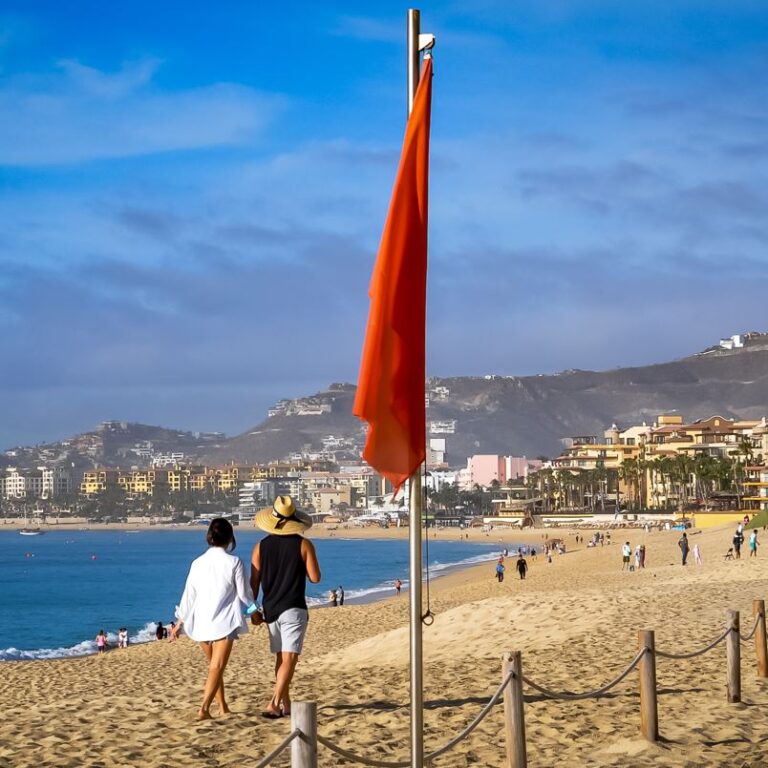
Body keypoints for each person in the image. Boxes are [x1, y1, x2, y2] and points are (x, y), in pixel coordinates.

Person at [171, 518, 254, 720]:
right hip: (224, 622)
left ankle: (223, 706)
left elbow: (189, 595)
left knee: (214, 668)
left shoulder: (197, 563)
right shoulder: (234, 562)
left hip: (200, 623)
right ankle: (204, 708)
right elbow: (244, 595)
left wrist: (180, 622)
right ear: (230, 537)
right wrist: (255, 609)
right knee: (216, 667)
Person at [250, 496, 321, 719]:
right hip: (293, 607)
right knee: (289, 659)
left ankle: (286, 703)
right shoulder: (303, 544)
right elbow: (315, 577)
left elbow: (253, 584)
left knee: (281, 659)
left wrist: (252, 611)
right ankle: (274, 702)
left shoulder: (260, 547)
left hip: (270, 609)